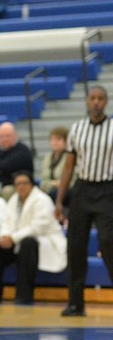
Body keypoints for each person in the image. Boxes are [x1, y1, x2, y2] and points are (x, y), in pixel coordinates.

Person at [55, 85, 113, 317]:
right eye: (93, 98)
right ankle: (75, 303)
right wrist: (60, 200)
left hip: (108, 189)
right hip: (82, 190)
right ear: (87, 101)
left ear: (106, 102)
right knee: (75, 246)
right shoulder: (77, 129)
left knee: (108, 242)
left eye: (100, 98)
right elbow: (69, 166)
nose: (96, 102)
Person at [0, 171, 67, 305]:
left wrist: (13, 238)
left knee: (28, 243)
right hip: (18, 242)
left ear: (31, 184)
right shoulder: (14, 199)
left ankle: (24, 296)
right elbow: (6, 221)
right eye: (18, 184)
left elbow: (37, 227)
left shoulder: (42, 200)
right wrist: (5, 236)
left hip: (43, 242)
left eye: (24, 183)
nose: (21, 187)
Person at [0, 121, 34, 200]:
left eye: (8, 136)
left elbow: (7, 166)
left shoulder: (22, 150)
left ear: (15, 135)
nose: (5, 139)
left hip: (16, 185)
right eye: (2, 136)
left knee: (7, 191)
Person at [40, 126, 74, 203]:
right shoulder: (47, 157)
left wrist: (55, 184)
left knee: (53, 194)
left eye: (58, 139)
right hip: (48, 190)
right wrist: (53, 183)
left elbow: (72, 182)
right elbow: (43, 181)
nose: (54, 142)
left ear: (66, 141)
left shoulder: (70, 157)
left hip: (66, 192)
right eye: (52, 139)